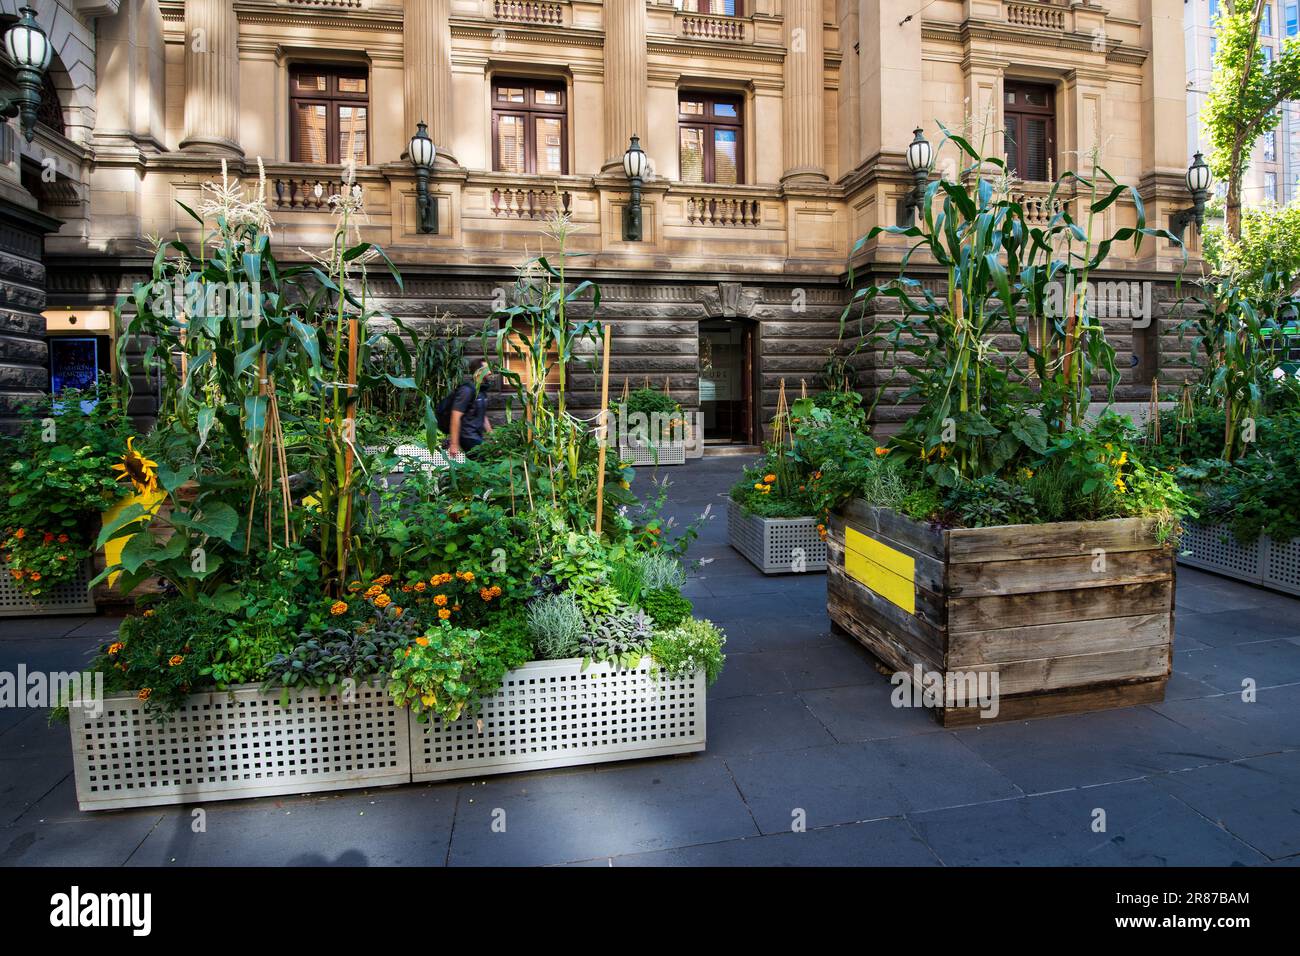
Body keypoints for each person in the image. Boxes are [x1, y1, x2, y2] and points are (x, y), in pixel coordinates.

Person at [447, 360, 493, 459]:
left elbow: (483, 415)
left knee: (480, 467)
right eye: (487, 370)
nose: (490, 372)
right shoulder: (467, 390)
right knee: (482, 463)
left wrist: (492, 435)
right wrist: (454, 444)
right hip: (468, 436)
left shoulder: (481, 390)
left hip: (477, 436)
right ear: (479, 372)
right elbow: (455, 416)